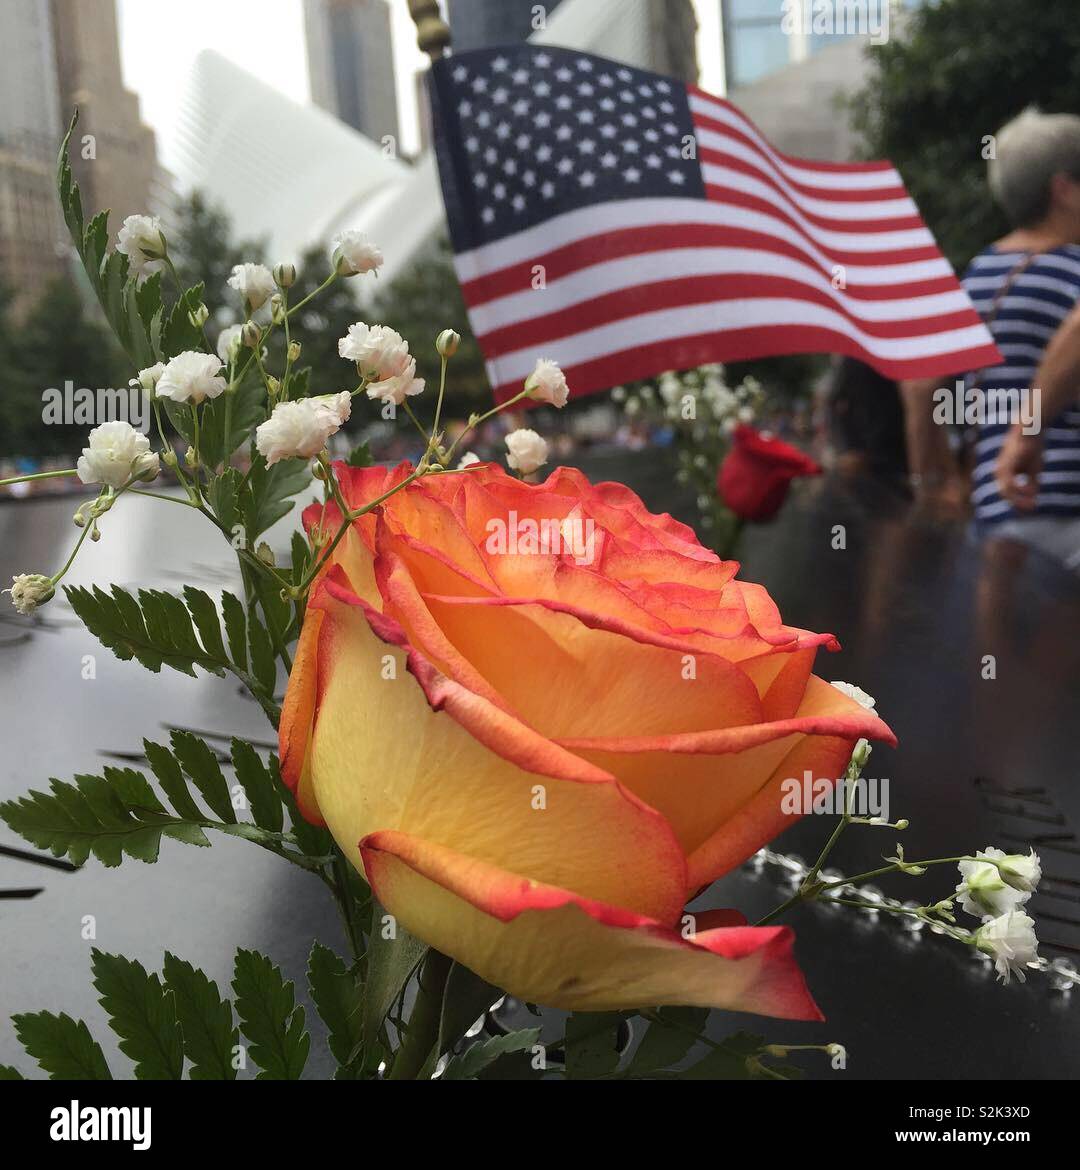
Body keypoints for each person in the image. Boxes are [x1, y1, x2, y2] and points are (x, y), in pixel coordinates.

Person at [901, 108, 1080, 570]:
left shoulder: (977, 276)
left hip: (996, 519)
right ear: (1063, 190)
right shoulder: (1073, 271)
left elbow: (921, 383)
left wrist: (934, 480)